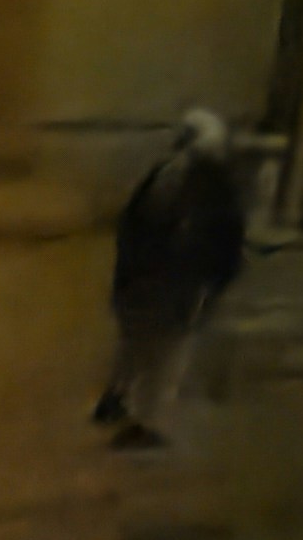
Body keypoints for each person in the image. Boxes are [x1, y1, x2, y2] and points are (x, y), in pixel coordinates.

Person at [97, 109, 252, 445]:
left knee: (137, 341)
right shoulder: (215, 190)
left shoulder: (165, 176)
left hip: (148, 277)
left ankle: (119, 397)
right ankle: (146, 420)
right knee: (168, 351)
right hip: (180, 282)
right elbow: (225, 241)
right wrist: (218, 280)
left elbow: (132, 227)